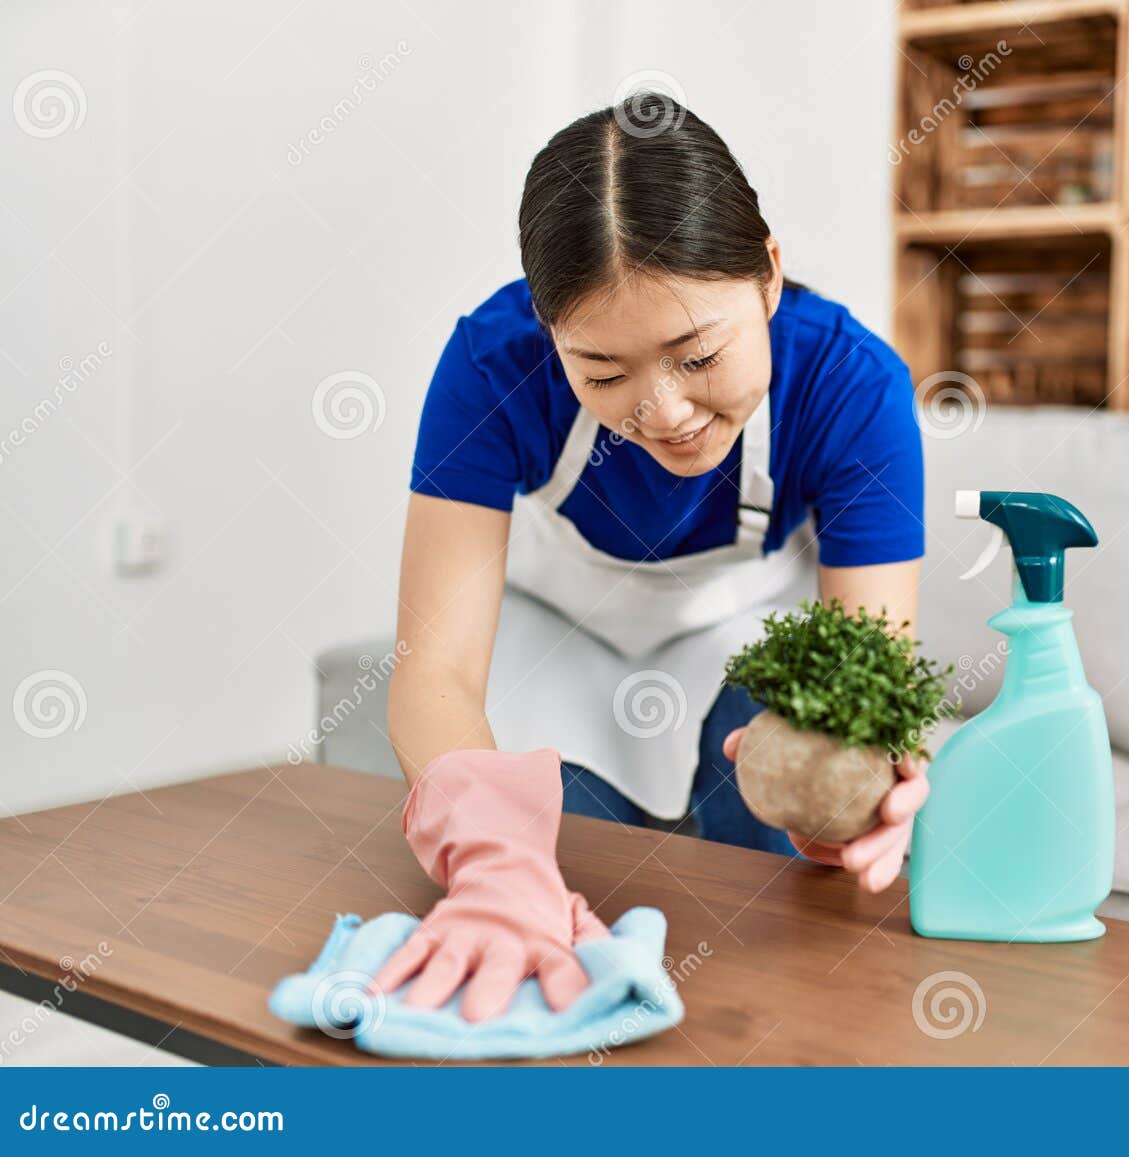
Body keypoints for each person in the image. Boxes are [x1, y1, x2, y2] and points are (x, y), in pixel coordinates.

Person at [369, 94, 927, 1022]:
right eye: (602, 374)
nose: (662, 412)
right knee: (561, 907)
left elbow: (872, 671)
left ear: (770, 279)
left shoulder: (850, 382)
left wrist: (867, 774)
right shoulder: (488, 364)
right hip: (565, 642)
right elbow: (434, 671)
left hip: (746, 636)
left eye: (699, 355)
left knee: (781, 935)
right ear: (550, 339)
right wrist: (491, 855)